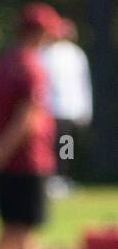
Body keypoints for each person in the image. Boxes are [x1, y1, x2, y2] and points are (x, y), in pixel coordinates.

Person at [0, 2, 65, 249]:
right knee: (20, 229)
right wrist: (2, 150)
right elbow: (27, 116)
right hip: (27, 159)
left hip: (7, 158)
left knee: (15, 228)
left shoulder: (2, 64)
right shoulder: (31, 66)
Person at [40, 19, 92, 187]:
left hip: (68, 109)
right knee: (50, 145)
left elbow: (82, 83)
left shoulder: (76, 54)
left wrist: (85, 109)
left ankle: (64, 176)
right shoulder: (47, 52)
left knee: (66, 145)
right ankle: (51, 177)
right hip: (50, 108)